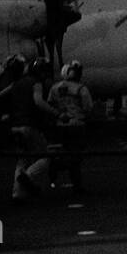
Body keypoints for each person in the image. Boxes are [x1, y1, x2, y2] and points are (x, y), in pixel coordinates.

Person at [0, 57, 60, 201]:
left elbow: (0, 95)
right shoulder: (35, 83)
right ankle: (28, 177)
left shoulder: (17, 83)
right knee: (45, 157)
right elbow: (38, 102)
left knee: (22, 160)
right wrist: (56, 113)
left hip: (15, 126)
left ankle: (17, 194)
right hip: (29, 125)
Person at [48, 61, 93, 195]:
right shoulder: (81, 89)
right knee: (76, 156)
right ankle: (76, 185)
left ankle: (58, 166)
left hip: (60, 125)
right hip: (77, 125)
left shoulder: (54, 88)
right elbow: (88, 107)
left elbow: (50, 104)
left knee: (66, 152)